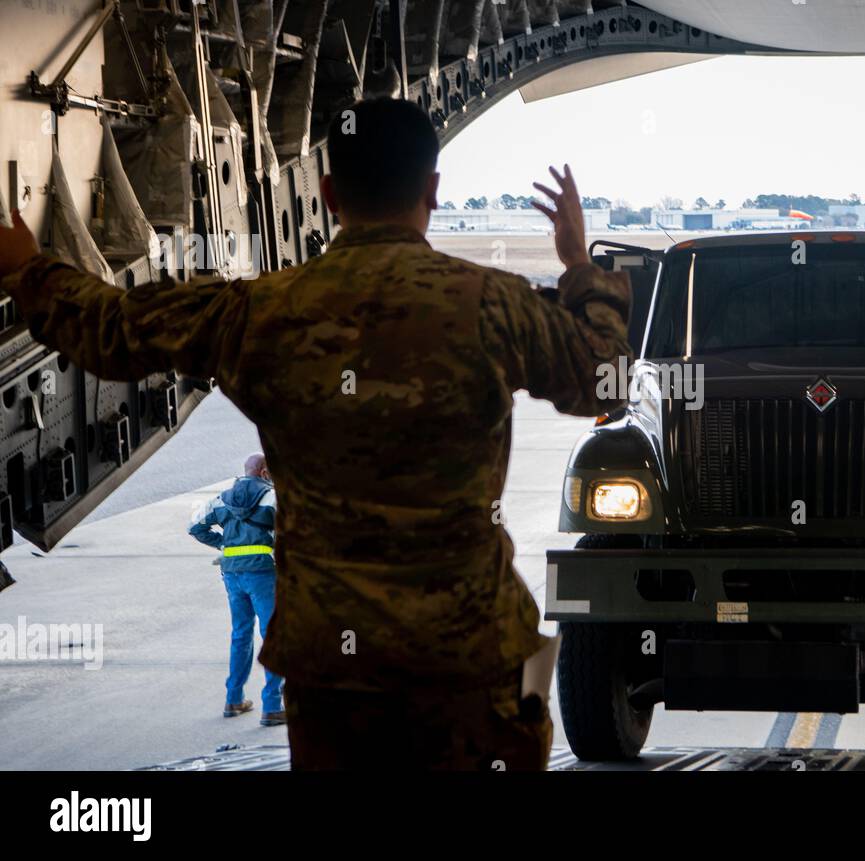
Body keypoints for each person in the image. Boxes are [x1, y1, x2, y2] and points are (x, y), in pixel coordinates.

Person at [0, 97, 630, 770]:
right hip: (477, 668)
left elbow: (114, 331)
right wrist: (577, 267)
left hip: (334, 678)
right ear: (434, 192)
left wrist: (28, 266)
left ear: (328, 193)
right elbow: (606, 377)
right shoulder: (494, 303)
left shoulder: (262, 310)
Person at [190, 453, 284, 726]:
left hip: (231, 573)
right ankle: (272, 706)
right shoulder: (271, 497)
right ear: (265, 472)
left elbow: (194, 526)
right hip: (263, 573)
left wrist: (223, 544)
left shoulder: (224, 497)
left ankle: (234, 699)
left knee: (241, 634)